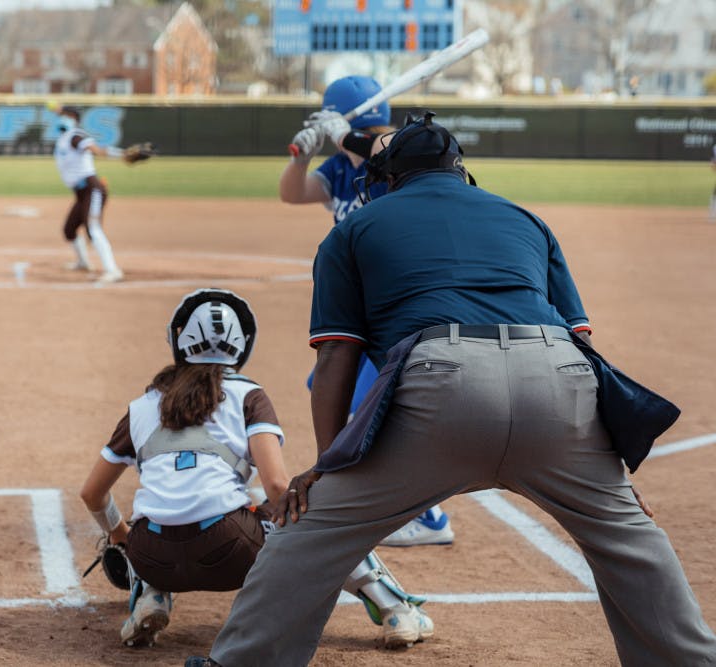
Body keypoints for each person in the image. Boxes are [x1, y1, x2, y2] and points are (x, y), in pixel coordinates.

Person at [185, 113, 716, 667]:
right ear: (460, 171)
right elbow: (581, 343)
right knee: (631, 540)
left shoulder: (354, 229)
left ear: (388, 178)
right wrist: (613, 476)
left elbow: (338, 353)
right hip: (558, 381)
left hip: (442, 389)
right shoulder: (526, 218)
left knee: (313, 529)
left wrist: (329, 466)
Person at [80, 288, 434, 649]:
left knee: (151, 515)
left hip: (151, 555)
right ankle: (395, 610)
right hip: (230, 551)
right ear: (240, 346)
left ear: (179, 340)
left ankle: (151, 595)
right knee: (320, 512)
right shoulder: (248, 395)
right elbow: (278, 486)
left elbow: (92, 493)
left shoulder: (142, 404)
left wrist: (123, 538)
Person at [283, 75, 454, 548]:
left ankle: (428, 514)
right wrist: (301, 153)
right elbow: (291, 194)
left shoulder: (395, 150)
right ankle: (364, 494)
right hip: (359, 300)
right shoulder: (340, 168)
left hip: (392, 301)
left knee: (371, 403)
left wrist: (342, 134)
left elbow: (377, 152)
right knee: (329, 390)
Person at [52, 105, 125, 285]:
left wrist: (122, 155)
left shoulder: (76, 136)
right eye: (62, 115)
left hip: (92, 189)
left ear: (75, 118)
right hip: (80, 192)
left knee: (93, 228)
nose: (63, 118)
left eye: (67, 116)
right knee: (69, 229)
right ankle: (83, 262)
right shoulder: (63, 138)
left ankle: (112, 270)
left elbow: (96, 149)